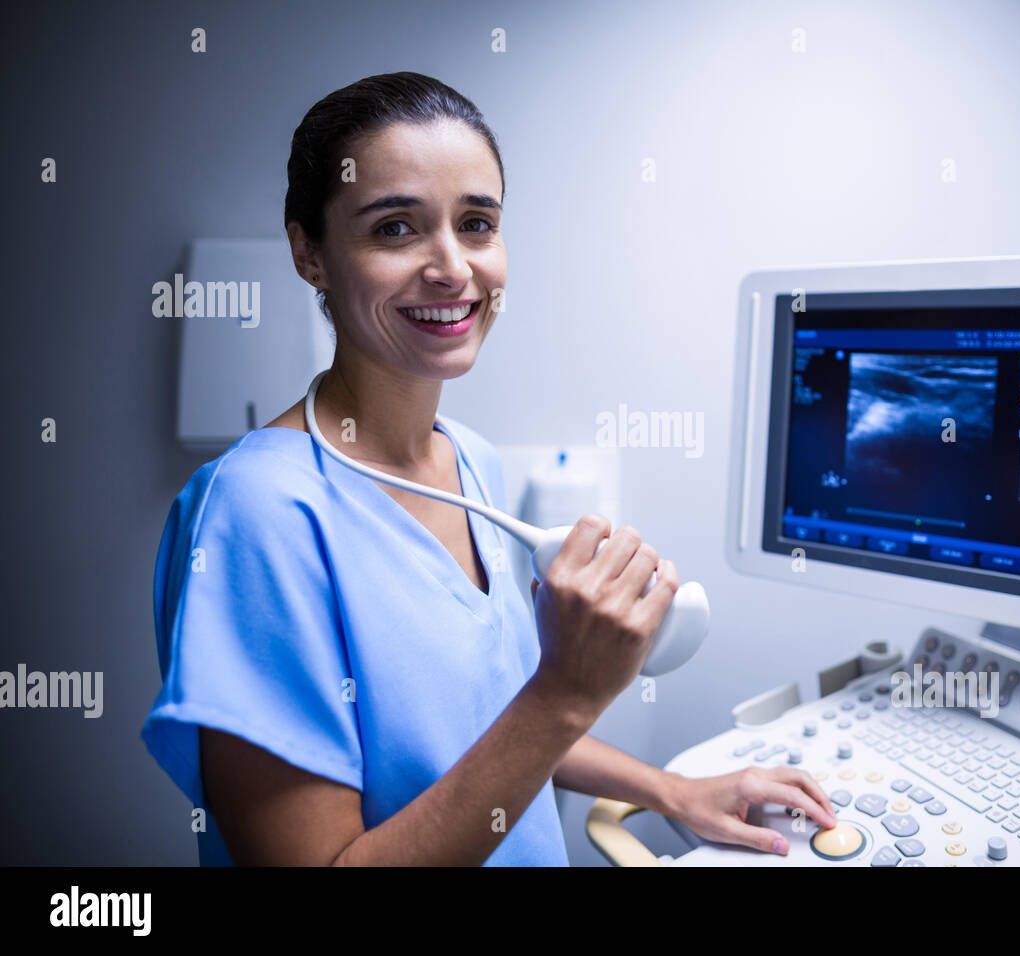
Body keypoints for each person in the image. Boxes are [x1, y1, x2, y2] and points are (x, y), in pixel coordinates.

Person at [141, 71, 836, 865]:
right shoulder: (256, 513)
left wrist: (673, 790)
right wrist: (570, 690)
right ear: (310, 252)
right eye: (395, 229)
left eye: (476, 224)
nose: (451, 268)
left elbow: (487, 724)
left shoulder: (470, 459)